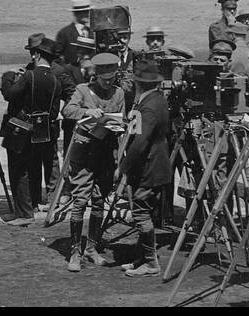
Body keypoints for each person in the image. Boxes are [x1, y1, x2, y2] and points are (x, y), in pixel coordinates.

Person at [62, 52, 127, 272]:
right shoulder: (82, 90)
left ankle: (92, 248)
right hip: (84, 152)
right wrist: (87, 111)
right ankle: (75, 252)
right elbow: (67, 110)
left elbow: (123, 121)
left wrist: (119, 126)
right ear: (96, 74)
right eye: (104, 79)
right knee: (80, 201)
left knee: (99, 200)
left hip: (106, 152)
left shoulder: (118, 93)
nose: (108, 83)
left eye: (112, 78)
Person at [0, 33, 61, 225]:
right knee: (31, 168)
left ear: (36, 55)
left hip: (20, 130)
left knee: (19, 170)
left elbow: (9, 94)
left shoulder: (28, 75)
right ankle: (29, 207)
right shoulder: (55, 80)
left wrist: (9, 77)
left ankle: (24, 214)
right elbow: (53, 112)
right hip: (41, 132)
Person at [118, 54, 171, 276]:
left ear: (139, 83)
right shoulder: (156, 99)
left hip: (149, 167)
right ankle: (142, 258)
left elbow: (140, 143)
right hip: (157, 164)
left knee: (140, 212)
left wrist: (122, 168)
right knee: (145, 211)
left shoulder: (146, 107)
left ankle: (151, 263)